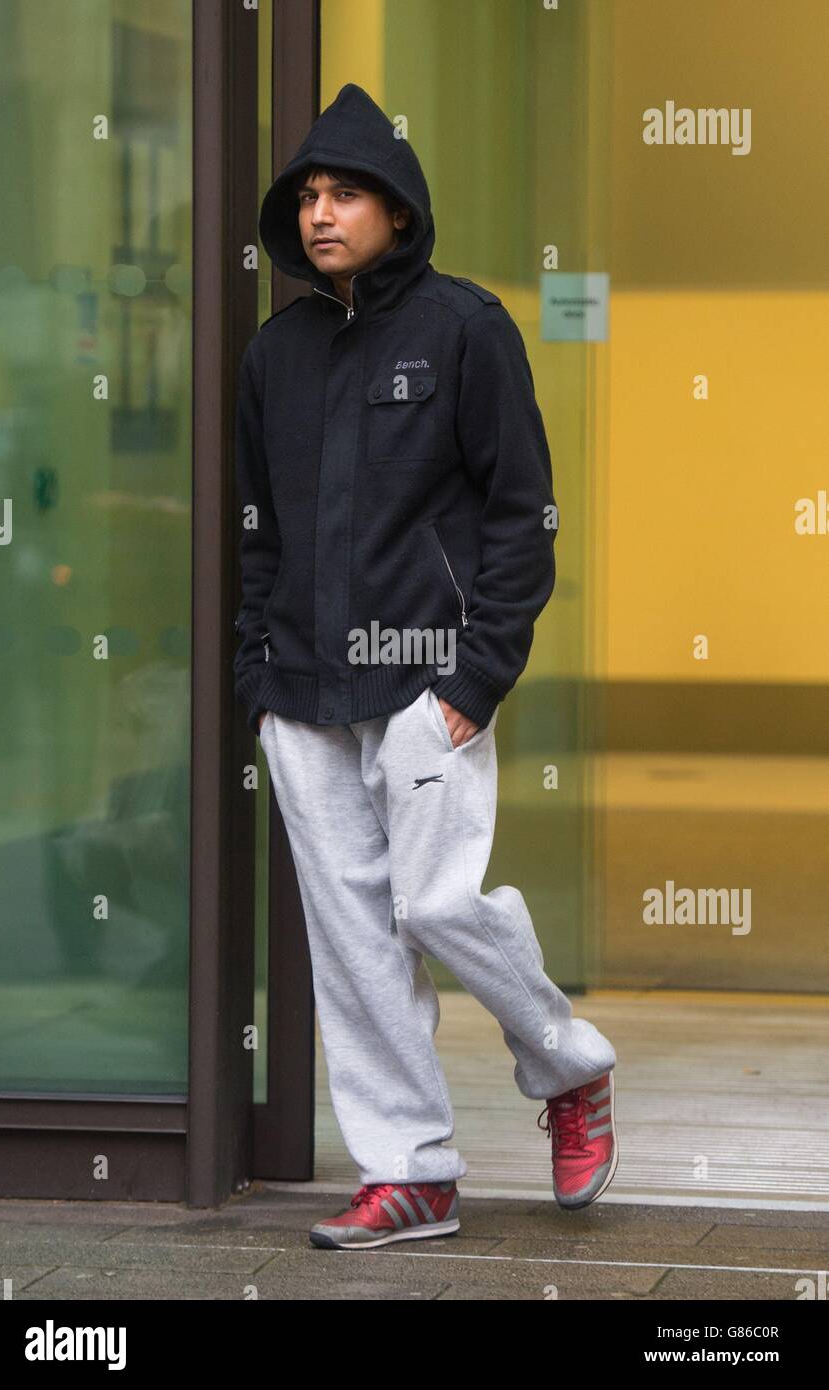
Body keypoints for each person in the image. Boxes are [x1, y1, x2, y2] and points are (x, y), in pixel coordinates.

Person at [234, 83, 618, 1251]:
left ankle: (568, 1068)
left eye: (343, 192)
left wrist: (472, 681)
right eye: (306, 195)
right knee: (352, 946)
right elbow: (257, 528)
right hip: (301, 698)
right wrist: (260, 676)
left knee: (434, 903)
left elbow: (520, 516)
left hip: (423, 687)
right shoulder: (276, 354)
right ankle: (411, 1175)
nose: (319, 213)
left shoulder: (467, 329)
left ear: (396, 209)